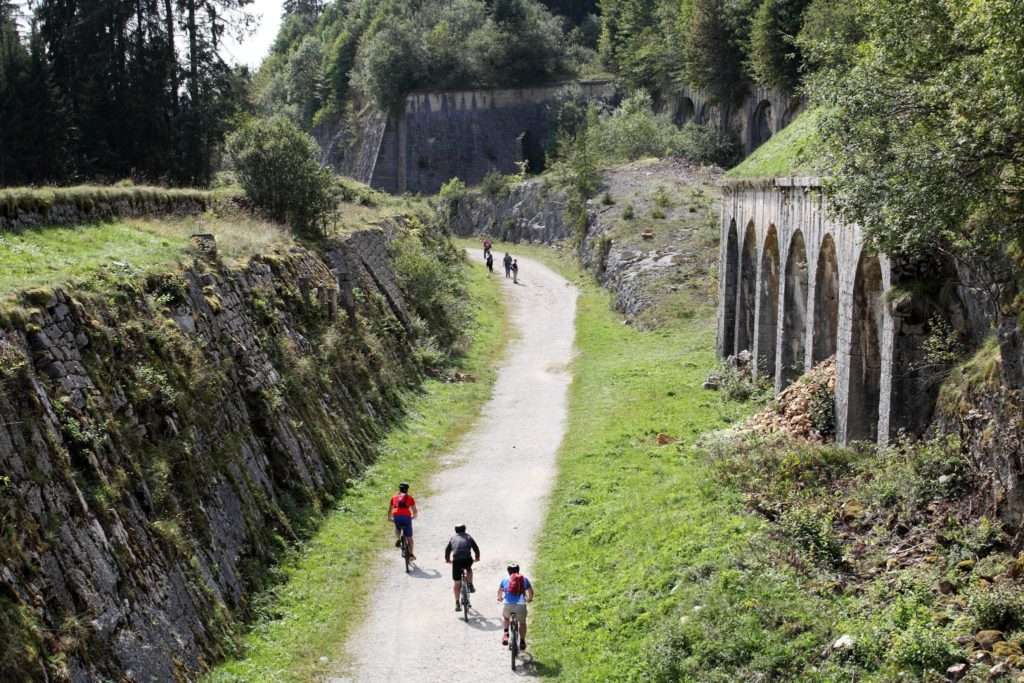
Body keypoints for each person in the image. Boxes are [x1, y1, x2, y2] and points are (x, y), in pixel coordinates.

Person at [497, 562, 534, 651]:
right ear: (518, 570)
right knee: (522, 623)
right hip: (520, 607)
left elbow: (499, 592)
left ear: (508, 571)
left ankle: (506, 633)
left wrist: (500, 599)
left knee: (506, 618)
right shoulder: (524, 579)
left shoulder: (505, 579)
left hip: (507, 606)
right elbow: (530, 592)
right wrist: (529, 599)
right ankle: (522, 641)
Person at [444, 524, 481, 611]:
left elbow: (447, 550)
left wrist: (448, 560)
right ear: (465, 530)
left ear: (455, 531)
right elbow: (476, 548)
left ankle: (457, 603)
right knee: (468, 568)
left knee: (457, 583)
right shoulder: (468, 537)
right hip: (467, 560)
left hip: (456, 562)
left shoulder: (453, 538)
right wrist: (477, 558)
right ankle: (470, 585)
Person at [387, 482, 417, 560]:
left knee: (397, 527)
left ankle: (398, 538)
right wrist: (414, 516)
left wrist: (389, 518)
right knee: (410, 538)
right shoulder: (410, 497)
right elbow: (414, 511)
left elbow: (390, 510)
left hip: (396, 515)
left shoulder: (393, 497)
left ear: (399, 489)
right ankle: (411, 554)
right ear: (407, 489)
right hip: (406, 517)